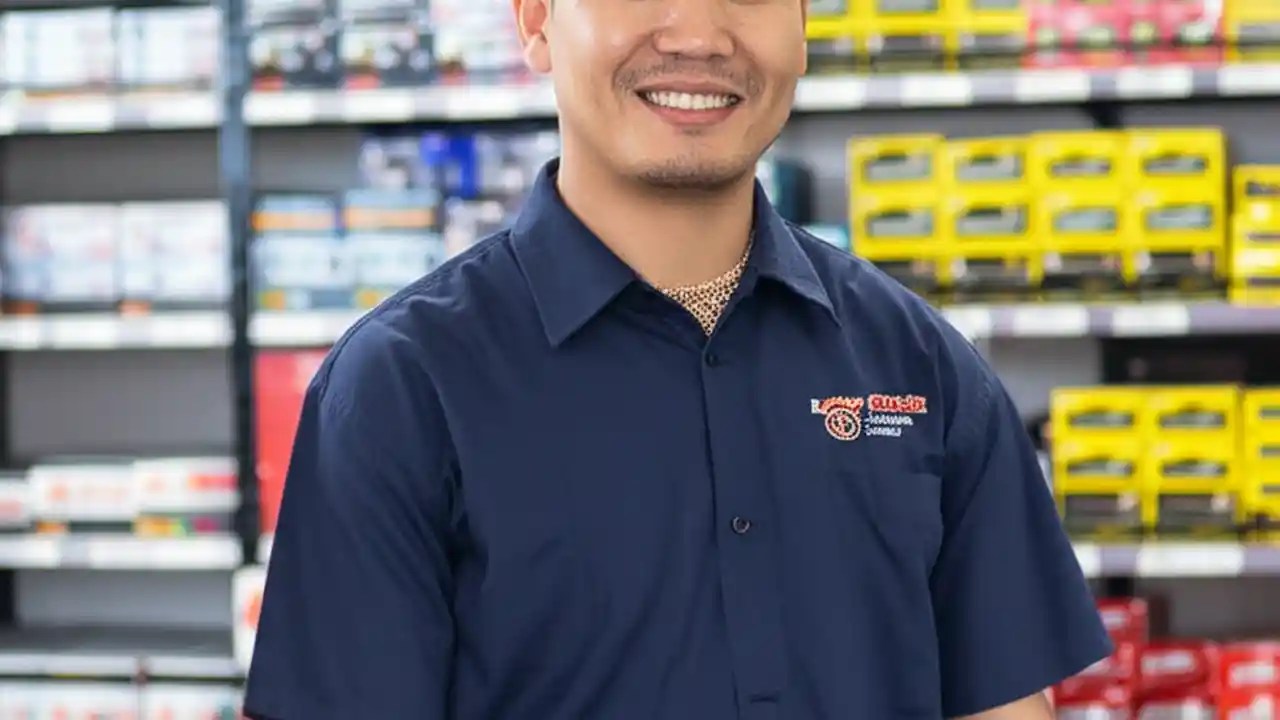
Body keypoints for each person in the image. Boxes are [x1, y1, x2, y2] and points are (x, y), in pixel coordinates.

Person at [243, 0, 1112, 715]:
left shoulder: (925, 369)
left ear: (804, 25)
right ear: (536, 19)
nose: (698, 34)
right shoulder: (400, 389)